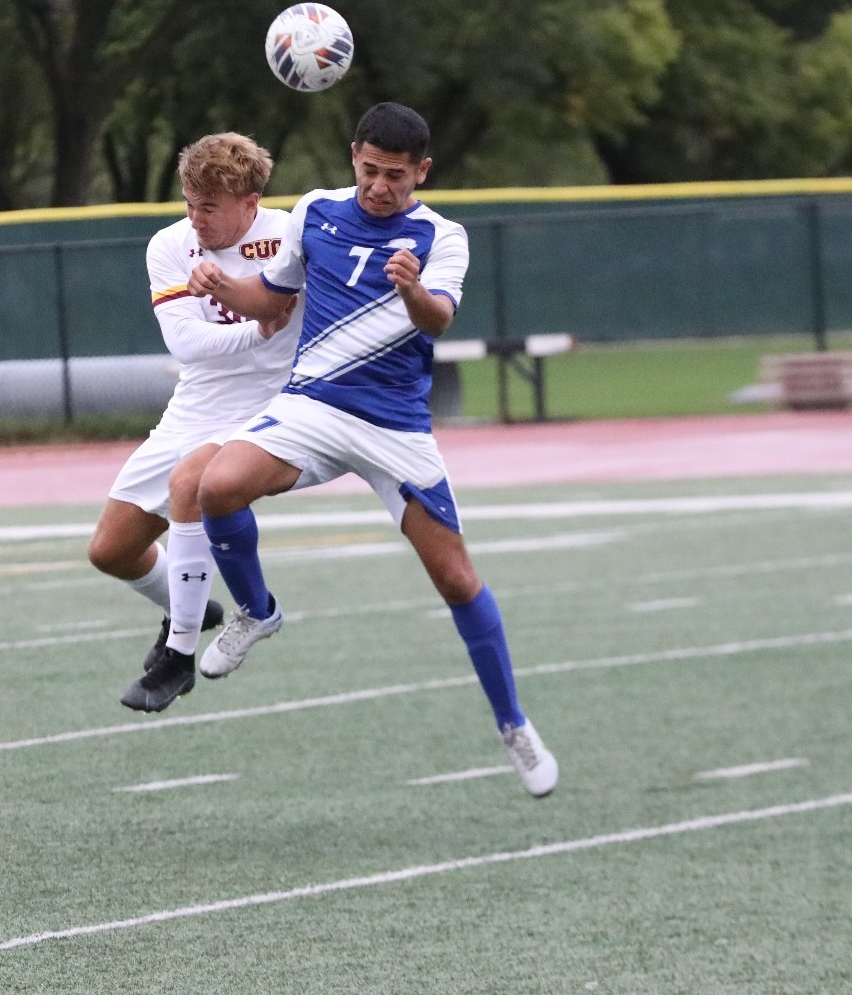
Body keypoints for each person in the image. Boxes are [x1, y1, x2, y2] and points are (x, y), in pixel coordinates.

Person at [185, 102, 559, 798]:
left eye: (395, 175)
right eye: (368, 170)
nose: (379, 186)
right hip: (312, 406)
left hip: (394, 427)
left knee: (455, 580)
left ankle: (513, 723)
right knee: (216, 487)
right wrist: (222, 285)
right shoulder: (316, 211)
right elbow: (272, 299)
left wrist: (414, 288)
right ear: (353, 155)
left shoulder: (440, 235)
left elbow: (438, 319)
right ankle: (259, 612)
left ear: (422, 171)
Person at [86, 132, 301, 713]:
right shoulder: (170, 246)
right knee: (110, 551)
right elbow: (187, 343)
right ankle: (192, 607)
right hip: (199, 401)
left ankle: (178, 656)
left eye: (210, 207)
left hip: (273, 403)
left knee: (191, 484)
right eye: (189, 203)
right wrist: (255, 328)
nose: (196, 218)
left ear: (251, 202)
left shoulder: (290, 235)